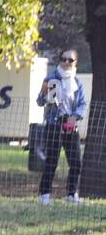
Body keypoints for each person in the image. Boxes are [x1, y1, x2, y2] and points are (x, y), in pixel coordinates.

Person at [36, 49, 87, 204]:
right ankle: (44, 195)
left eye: (70, 60)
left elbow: (82, 104)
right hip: (54, 124)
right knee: (52, 160)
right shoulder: (51, 78)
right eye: (63, 59)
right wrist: (44, 94)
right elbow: (40, 102)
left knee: (76, 161)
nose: (66, 62)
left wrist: (75, 116)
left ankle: (71, 194)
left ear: (75, 62)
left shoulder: (77, 82)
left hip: (70, 124)